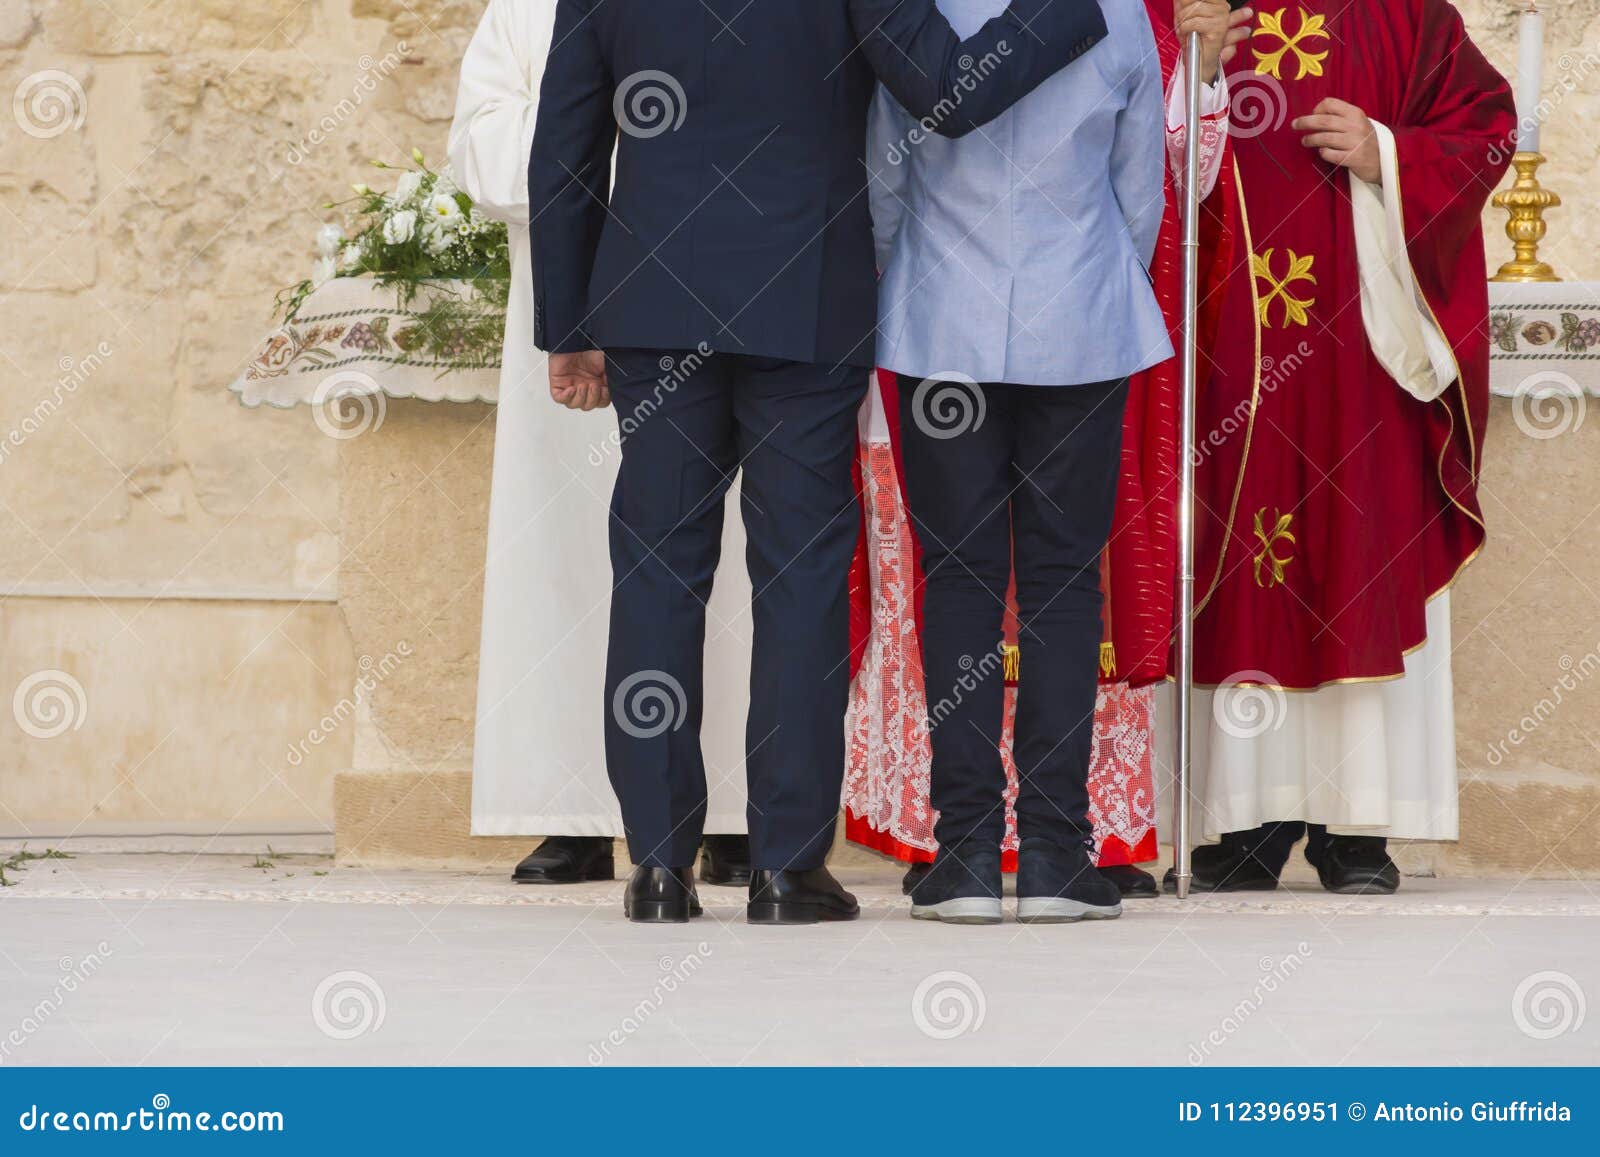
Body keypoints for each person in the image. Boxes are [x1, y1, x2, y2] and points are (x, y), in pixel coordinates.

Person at [529, 0, 1111, 924]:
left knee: (655, 575)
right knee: (799, 580)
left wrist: (567, 323)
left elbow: (564, 141)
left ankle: (658, 865)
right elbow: (948, 94)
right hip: (803, 296)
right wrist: (1066, 14)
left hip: (654, 301)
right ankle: (786, 867)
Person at [848, 0, 1247, 902]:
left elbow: (885, 177)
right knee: (1066, 584)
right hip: (1080, 328)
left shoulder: (921, 19)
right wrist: (1094, 288)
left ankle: (966, 857)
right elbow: (1142, 187)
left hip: (939, 327)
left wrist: (895, 286)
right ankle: (1061, 855)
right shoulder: (1110, 14)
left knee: (957, 580)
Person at [1173, 0, 1516, 894]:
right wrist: (1197, 72)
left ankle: (1357, 821)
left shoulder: (1405, 14)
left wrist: (1388, 153)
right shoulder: (1203, 7)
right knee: (1240, 566)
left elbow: (1487, 127)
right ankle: (1240, 818)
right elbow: (1127, 141)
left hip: (1362, 353)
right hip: (1227, 352)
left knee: (1360, 557)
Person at [448, 0, 754, 890]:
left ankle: (730, 809)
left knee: (721, 555)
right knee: (568, 563)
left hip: (701, 288)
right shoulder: (526, 10)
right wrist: (597, 145)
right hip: (569, 305)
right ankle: (568, 806)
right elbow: (477, 142)